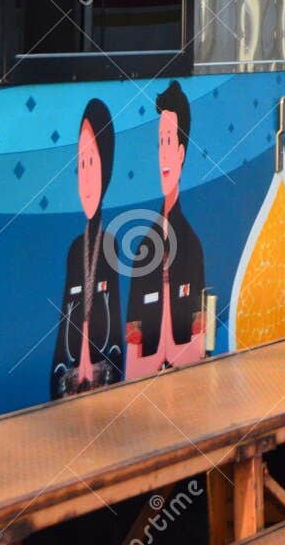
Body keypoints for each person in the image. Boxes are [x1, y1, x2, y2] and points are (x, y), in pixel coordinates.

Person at [124, 80, 206, 377]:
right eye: (160, 142)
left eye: (169, 141)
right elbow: (133, 344)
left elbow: (198, 339)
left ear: (182, 152)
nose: (163, 155)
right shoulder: (144, 246)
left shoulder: (193, 247)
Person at [50, 98, 123, 399]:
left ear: (105, 168)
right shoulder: (74, 250)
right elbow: (62, 329)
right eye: (81, 163)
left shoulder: (110, 245)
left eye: (92, 161)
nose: (86, 176)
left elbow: (117, 336)